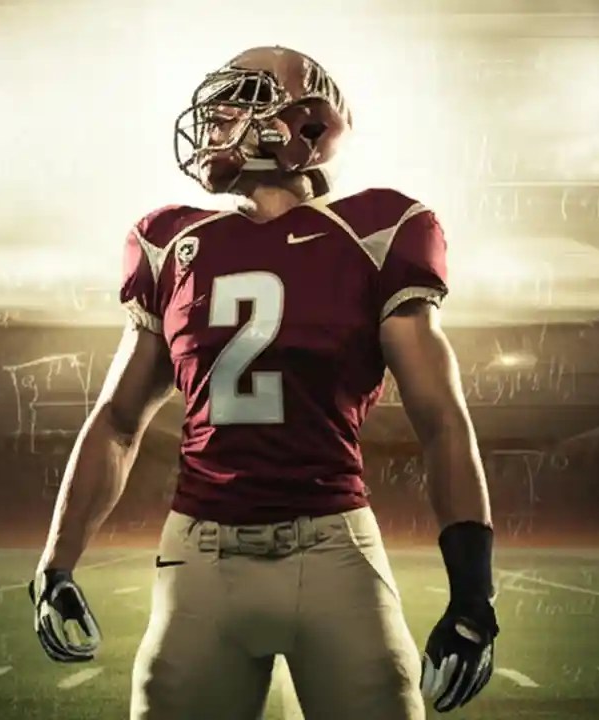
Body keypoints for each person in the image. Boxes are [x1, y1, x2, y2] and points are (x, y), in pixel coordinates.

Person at [30, 46, 499, 719]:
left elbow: (442, 420)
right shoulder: (171, 243)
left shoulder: (375, 232)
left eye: (240, 97)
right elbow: (118, 419)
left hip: (335, 548)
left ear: (306, 124)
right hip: (199, 553)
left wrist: (473, 593)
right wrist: (57, 562)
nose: (216, 117)